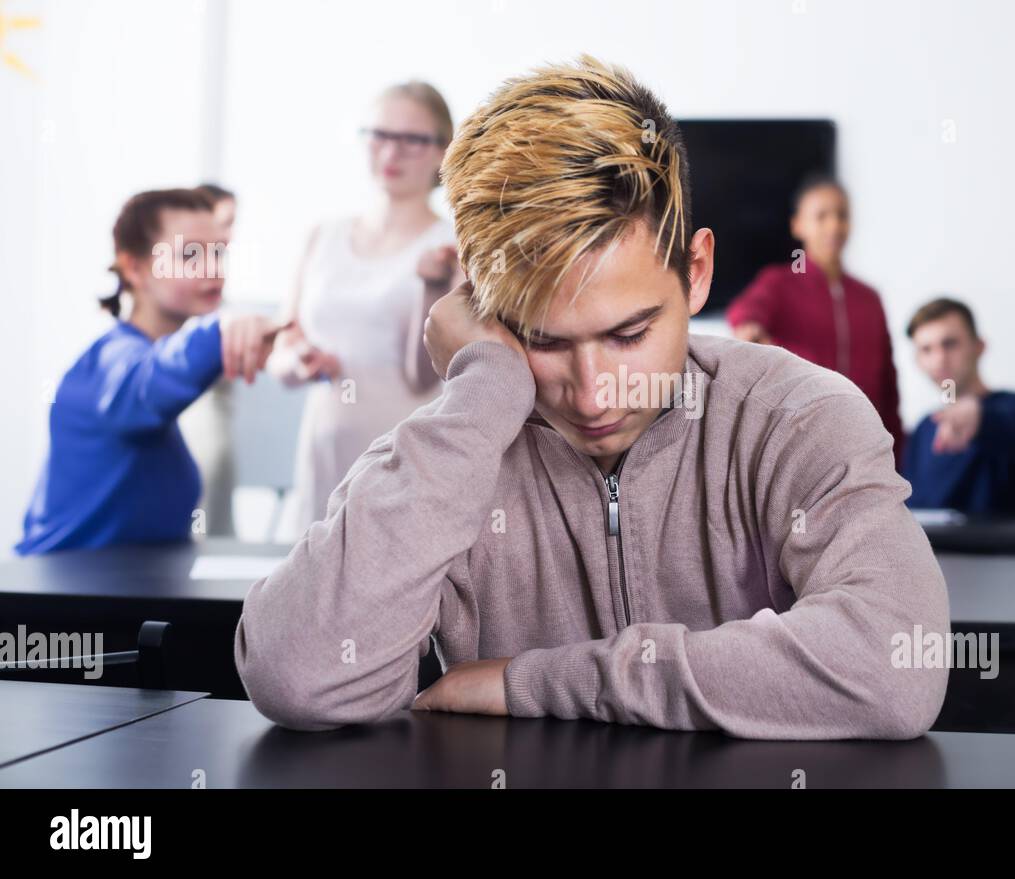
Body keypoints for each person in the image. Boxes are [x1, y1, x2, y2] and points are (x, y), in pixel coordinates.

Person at [235, 56, 949, 739]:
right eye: (543, 342)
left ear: (696, 272)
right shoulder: (459, 445)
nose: (595, 391)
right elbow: (298, 674)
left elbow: (894, 664)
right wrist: (484, 386)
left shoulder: (798, 415)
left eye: (631, 332)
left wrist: (543, 682)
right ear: (487, 317)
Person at [16, 188, 278, 555]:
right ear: (135, 268)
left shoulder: (151, 351)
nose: (213, 269)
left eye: (218, 253)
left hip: (115, 593)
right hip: (57, 601)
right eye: (189, 254)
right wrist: (220, 329)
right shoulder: (110, 362)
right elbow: (148, 384)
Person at [269, 81, 463, 534]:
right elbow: (281, 348)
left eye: (412, 140)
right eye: (379, 135)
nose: (392, 152)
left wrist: (430, 286)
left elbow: (429, 372)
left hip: (402, 463)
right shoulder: (322, 235)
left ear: (441, 151)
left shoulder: (453, 246)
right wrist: (298, 362)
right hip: (322, 457)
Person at [725, 175, 905, 465]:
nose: (834, 225)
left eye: (842, 215)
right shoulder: (779, 283)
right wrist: (749, 327)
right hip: (801, 444)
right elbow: (745, 311)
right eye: (821, 216)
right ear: (798, 225)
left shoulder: (869, 298)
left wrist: (897, 455)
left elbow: (889, 384)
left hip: (864, 448)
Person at [902, 297, 1015, 515]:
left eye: (950, 344)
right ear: (918, 361)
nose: (939, 359)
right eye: (926, 349)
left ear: (979, 347)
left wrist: (978, 416)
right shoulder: (922, 431)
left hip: (1003, 549)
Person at [183, 182, 240, 536]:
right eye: (225, 220)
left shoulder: (218, 290)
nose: (229, 234)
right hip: (197, 436)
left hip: (219, 436)